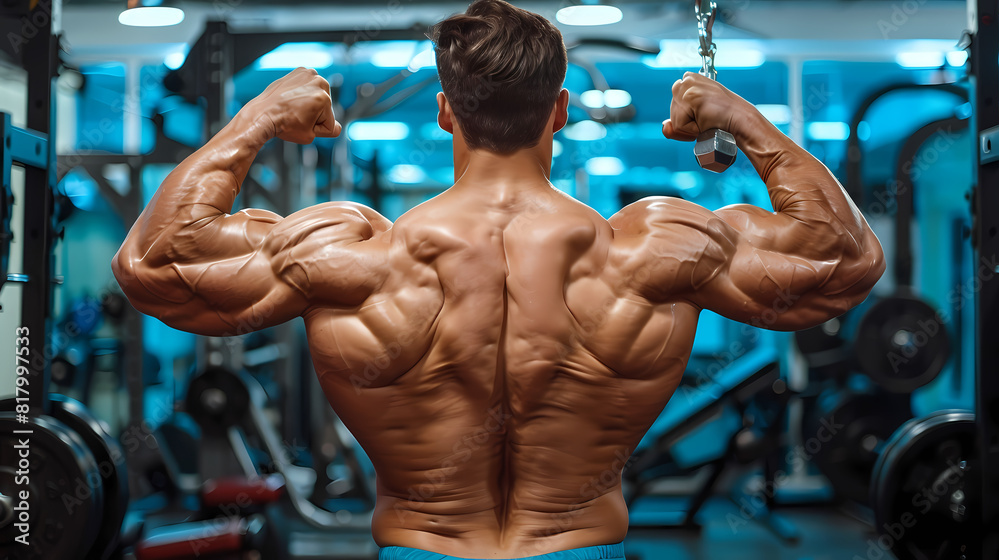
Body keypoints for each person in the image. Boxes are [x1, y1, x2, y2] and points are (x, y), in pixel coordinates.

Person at [112, 1, 885, 558]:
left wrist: (259, 116)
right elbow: (845, 260)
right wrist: (741, 119)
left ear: (446, 112)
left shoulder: (355, 256)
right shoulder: (653, 248)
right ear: (560, 110)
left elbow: (154, 266)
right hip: (581, 545)